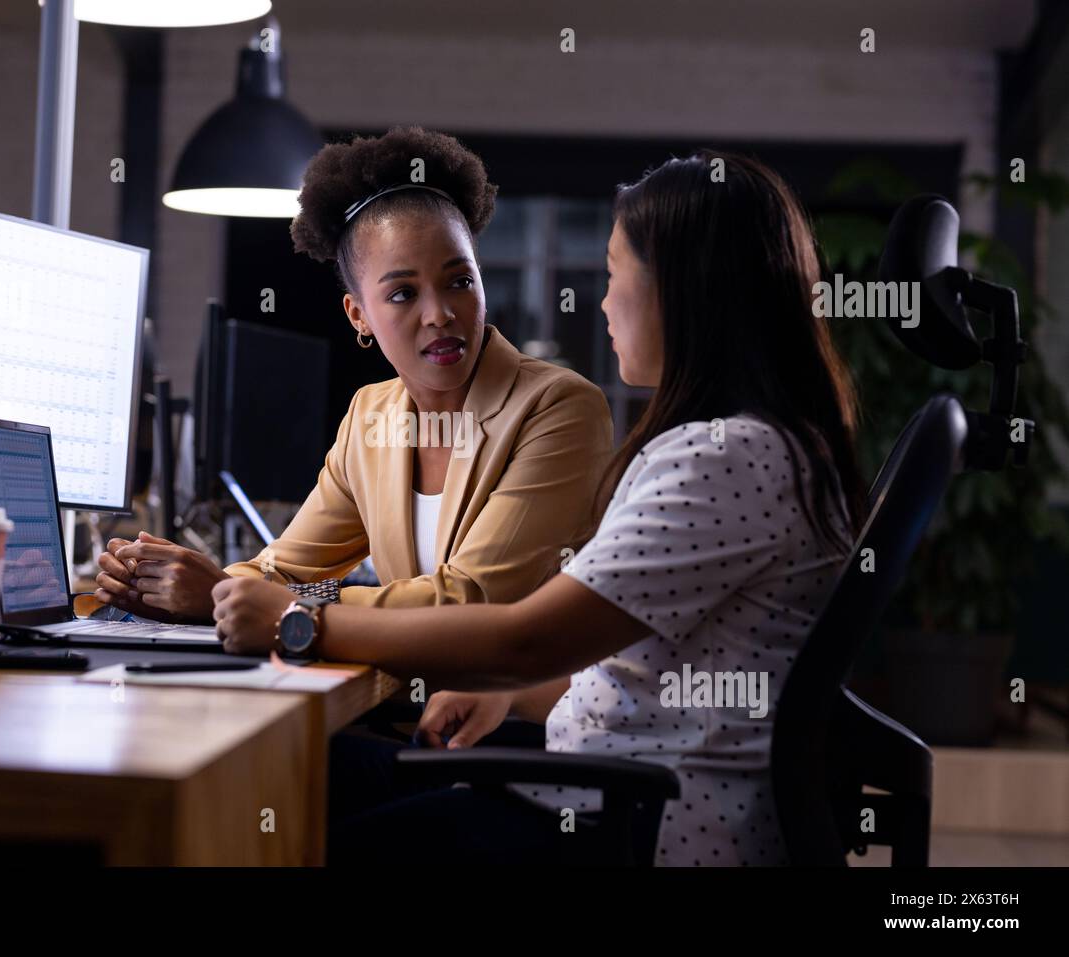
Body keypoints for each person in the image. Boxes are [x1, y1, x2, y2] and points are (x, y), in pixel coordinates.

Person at [211, 151, 870, 866]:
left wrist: (298, 620)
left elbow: (526, 635)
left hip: (635, 820)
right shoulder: (752, 446)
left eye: (616, 275)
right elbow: (633, 659)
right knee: (298, 777)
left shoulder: (724, 457)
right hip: (598, 782)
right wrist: (516, 696)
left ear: (684, 291)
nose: (604, 302)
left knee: (264, 822)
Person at [93, 127, 612, 641]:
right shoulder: (372, 416)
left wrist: (239, 601)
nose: (440, 314)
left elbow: (472, 598)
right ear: (358, 314)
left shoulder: (560, 409)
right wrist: (169, 583)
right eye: (404, 293)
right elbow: (283, 569)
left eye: (460, 281)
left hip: (517, 713)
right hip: (414, 698)